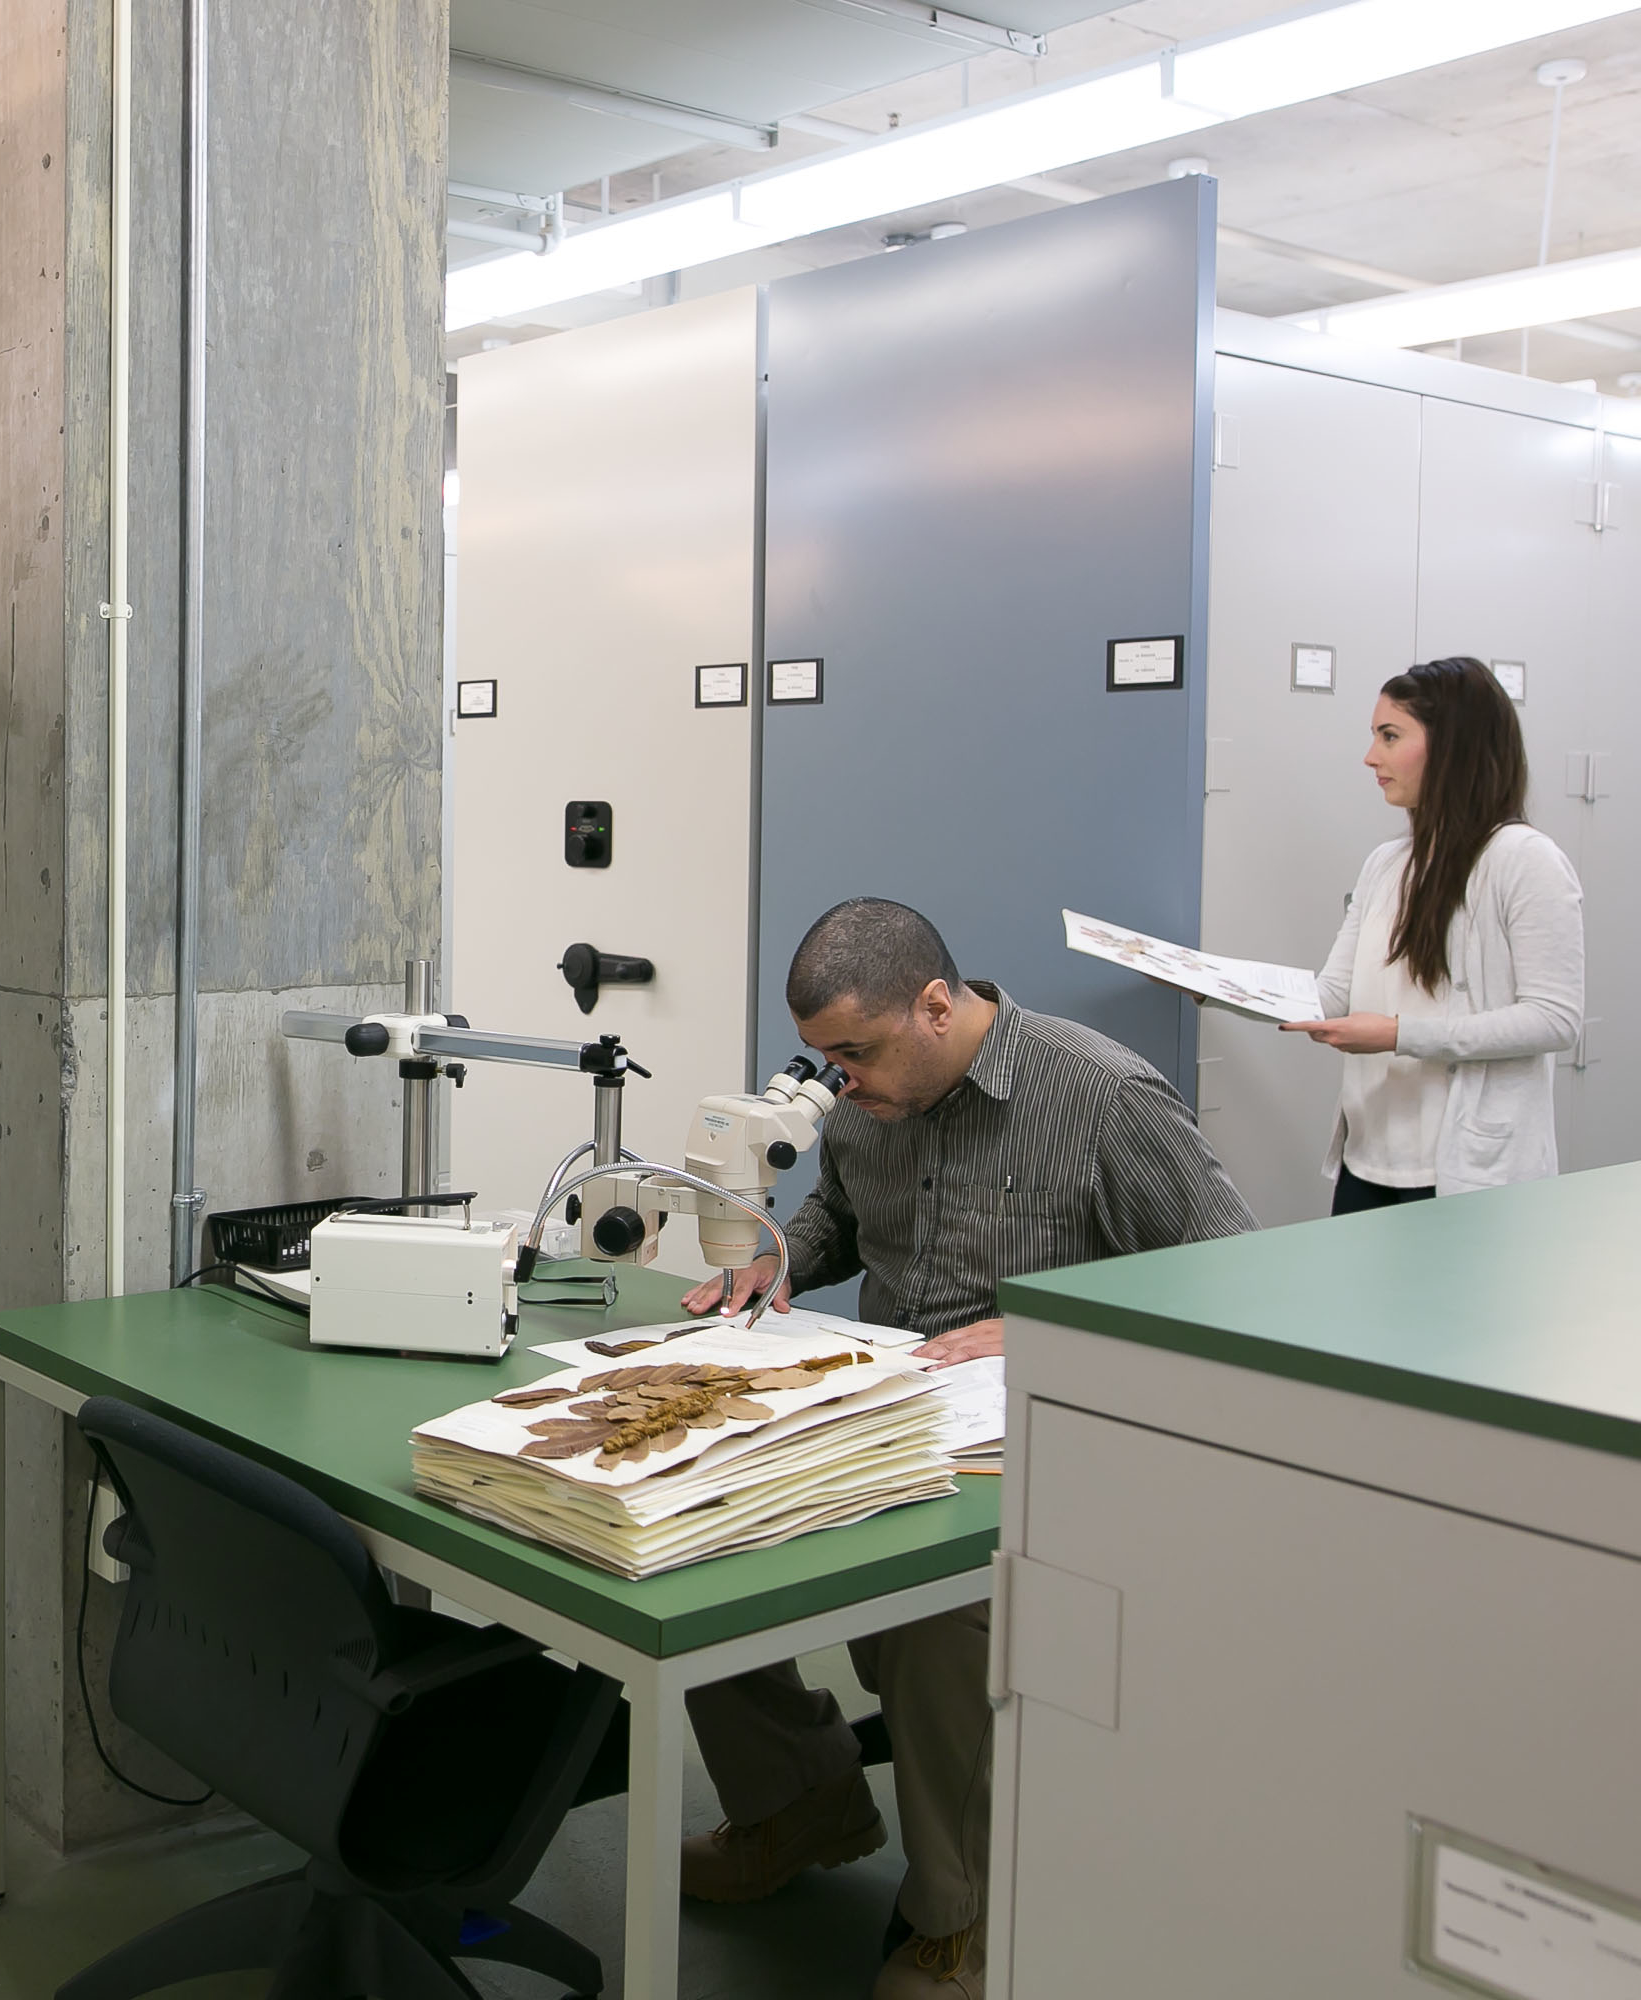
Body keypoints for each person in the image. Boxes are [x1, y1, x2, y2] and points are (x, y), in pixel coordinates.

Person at [674, 900, 1254, 2000]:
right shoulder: (863, 1103)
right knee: (703, 1519)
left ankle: (965, 1914)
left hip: (1047, 1440)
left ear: (935, 1006)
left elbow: (1234, 1270)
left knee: (937, 1617)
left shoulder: (1102, 1097)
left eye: (857, 1052)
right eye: (827, 1057)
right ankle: (798, 1800)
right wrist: (777, 1258)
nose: (840, 1081)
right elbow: (843, 1217)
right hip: (897, 1418)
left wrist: (1055, 1328)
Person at [1280, 657, 1584, 1215]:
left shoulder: (1523, 859)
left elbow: (1554, 1018)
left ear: (1451, 746)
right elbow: (1332, 996)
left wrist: (1400, 1035)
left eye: (1390, 736)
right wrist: (1216, 986)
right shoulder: (1385, 864)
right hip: (1366, 1162)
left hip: (1469, 1173)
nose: (1371, 756)